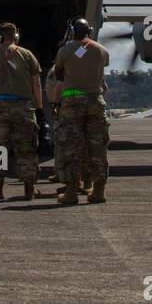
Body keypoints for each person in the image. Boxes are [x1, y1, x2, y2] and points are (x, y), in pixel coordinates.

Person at [0, 22, 43, 201]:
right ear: (16, 36)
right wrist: (39, 106)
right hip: (23, 107)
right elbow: (36, 82)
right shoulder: (28, 55)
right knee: (26, 148)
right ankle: (29, 190)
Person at [51, 18, 111, 204]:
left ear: (72, 31)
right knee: (98, 146)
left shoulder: (65, 51)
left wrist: (55, 101)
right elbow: (101, 71)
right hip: (95, 100)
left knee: (71, 146)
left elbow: (59, 77)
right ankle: (98, 190)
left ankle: (71, 192)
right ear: (90, 31)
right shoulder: (102, 50)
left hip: (72, 101)